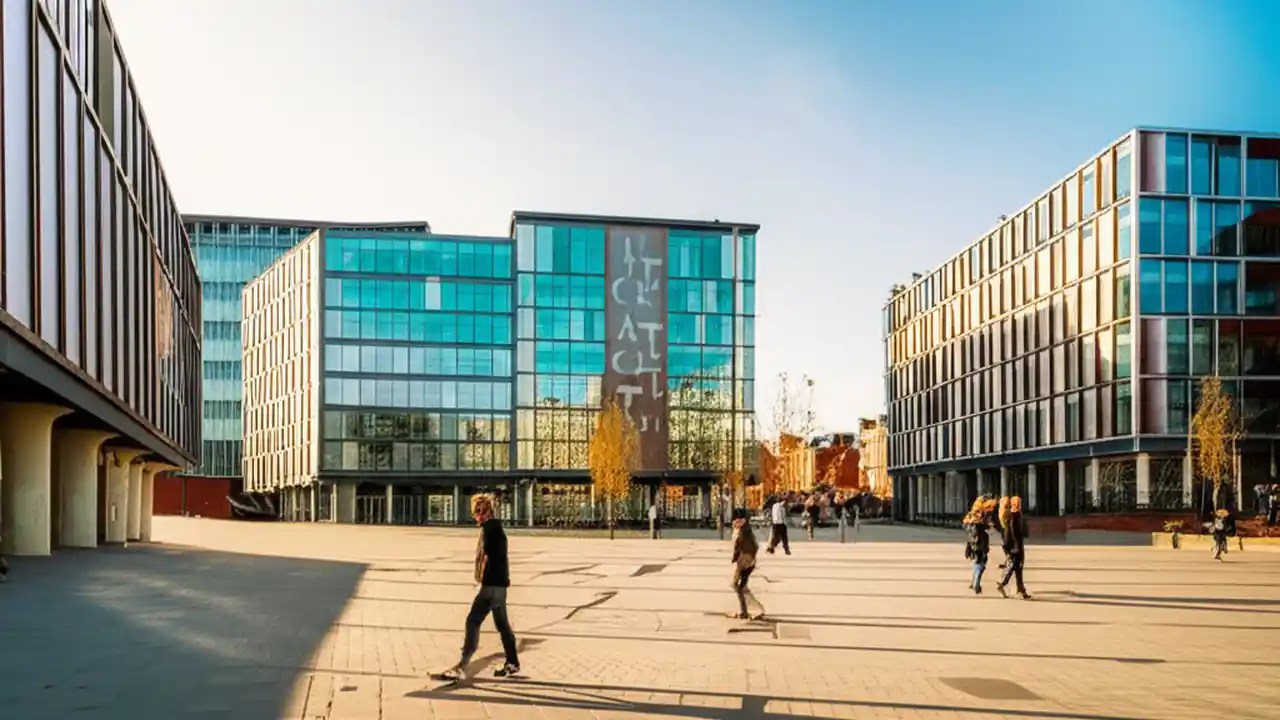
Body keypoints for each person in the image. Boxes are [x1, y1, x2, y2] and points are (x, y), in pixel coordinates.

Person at [439, 494, 520, 682]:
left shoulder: (491, 528)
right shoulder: (494, 528)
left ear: (490, 511)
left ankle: (462, 665)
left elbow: (493, 556)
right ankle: (512, 662)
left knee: (472, 621)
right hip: (499, 586)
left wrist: (484, 578)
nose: (479, 515)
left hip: (491, 586)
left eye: (483, 511)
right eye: (477, 511)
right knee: (502, 625)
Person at [729, 517, 764, 620]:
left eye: (734, 526)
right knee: (741, 585)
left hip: (744, 562)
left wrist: (737, 557)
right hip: (749, 562)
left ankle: (746, 610)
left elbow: (737, 547)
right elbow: (756, 546)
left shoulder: (740, 534)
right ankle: (749, 609)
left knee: (736, 585)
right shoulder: (748, 533)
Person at [996, 496, 1030, 599]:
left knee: (1017, 569)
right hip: (1016, 547)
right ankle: (1003, 584)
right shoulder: (1014, 516)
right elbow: (1015, 534)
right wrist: (1016, 547)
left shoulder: (1011, 515)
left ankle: (1021, 591)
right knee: (1015, 568)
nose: (1020, 505)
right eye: (1018, 503)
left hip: (1014, 547)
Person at [963, 502, 991, 595]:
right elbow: (988, 530)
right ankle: (976, 583)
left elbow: (965, 527)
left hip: (972, 545)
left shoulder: (969, 519)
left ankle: (973, 581)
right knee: (981, 564)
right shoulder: (981, 521)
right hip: (981, 545)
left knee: (976, 562)